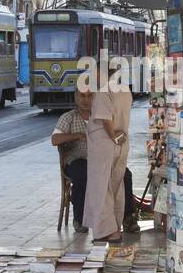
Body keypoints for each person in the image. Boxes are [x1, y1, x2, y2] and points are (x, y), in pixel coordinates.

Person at [52, 89, 138, 235]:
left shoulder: (102, 116)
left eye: (90, 96)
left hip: (102, 160)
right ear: (76, 97)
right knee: (82, 174)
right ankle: (79, 219)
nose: (86, 100)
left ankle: (128, 218)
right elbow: (55, 139)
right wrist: (77, 136)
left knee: (124, 174)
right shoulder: (69, 118)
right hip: (78, 160)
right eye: (82, 96)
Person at [83, 68, 133, 243]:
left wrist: (114, 137)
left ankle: (108, 231)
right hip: (121, 145)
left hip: (105, 145)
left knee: (102, 187)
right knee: (116, 186)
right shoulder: (125, 90)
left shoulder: (105, 90)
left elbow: (106, 119)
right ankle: (115, 225)